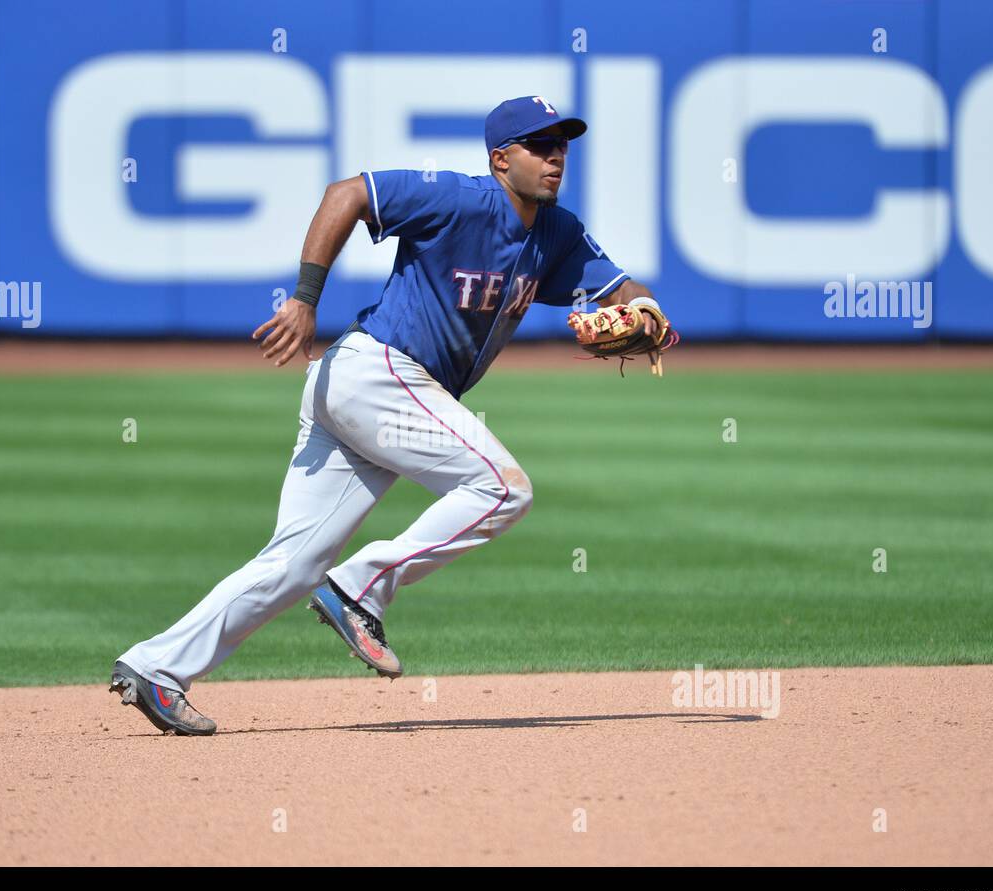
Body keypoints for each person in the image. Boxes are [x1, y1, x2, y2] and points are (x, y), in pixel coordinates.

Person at [109, 95, 665, 735]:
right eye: (540, 145)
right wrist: (304, 300)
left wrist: (648, 310)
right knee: (501, 487)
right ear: (500, 158)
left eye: (561, 143)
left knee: (292, 563)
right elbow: (347, 193)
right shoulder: (458, 199)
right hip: (377, 371)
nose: (555, 156)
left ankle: (158, 668)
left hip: (365, 391)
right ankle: (362, 587)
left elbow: (620, 289)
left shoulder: (557, 233)